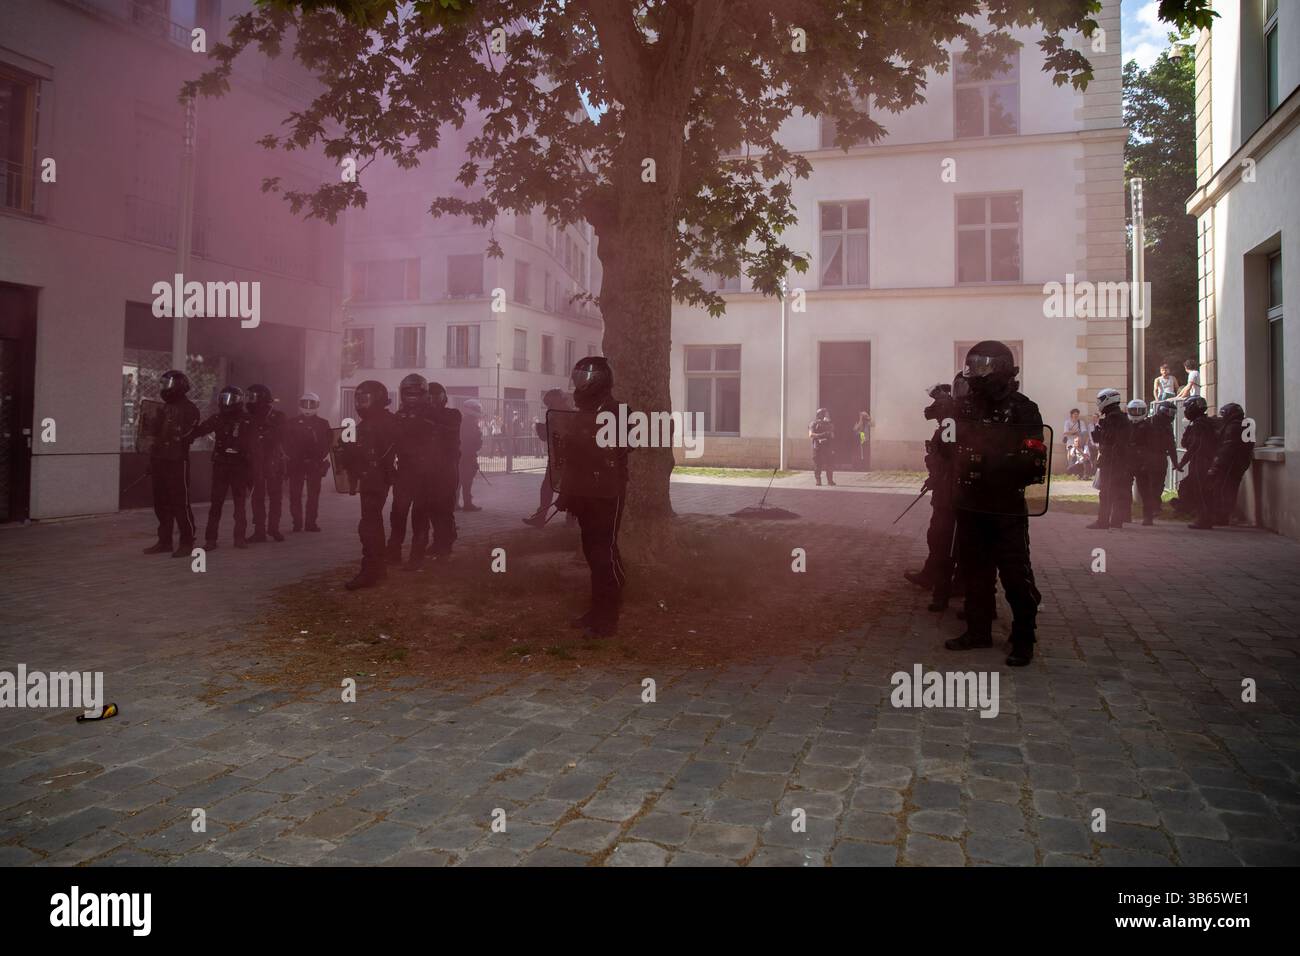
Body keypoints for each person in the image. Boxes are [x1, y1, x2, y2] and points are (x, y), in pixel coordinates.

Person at [946, 340, 1044, 667]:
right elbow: (950, 447)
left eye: (984, 366)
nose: (977, 373)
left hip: (1005, 505)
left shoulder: (1023, 409)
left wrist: (998, 464)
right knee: (975, 570)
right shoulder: (968, 408)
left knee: (1016, 572)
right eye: (973, 366)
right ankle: (977, 631)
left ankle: (1024, 636)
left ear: (1001, 369)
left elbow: (1035, 462)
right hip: (972, 502)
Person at [554, 356, 628, 638]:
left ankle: (608, 616)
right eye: (579, 377)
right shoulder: (580, 412)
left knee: (604, 554)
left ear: (600, 380)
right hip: (584, 491)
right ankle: (597, 610)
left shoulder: (618, 411)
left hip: (608, 491)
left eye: (586, 378)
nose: (580, 383)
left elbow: (617, 449)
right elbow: (572, 456)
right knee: (591, 552)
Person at [340, 380, 399, 589]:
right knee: (371, 524)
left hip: (377, 478)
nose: (360, 403)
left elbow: (382, 452)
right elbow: (352, 451)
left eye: (364, 399)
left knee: (369, 526)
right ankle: (378, 569)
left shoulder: (386, 422)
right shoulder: (367, 424)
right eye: (358, 399)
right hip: (369, 478)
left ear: (377, 399)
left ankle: (371, 571)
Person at [904, 385, 955, 596]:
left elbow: (950, 459)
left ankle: (934, 579)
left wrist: (936, 478)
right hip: (949, 489)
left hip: (949, 492)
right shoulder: (949, 423)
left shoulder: (950, 426)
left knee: (940, 536)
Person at [142, 369, 200, 557]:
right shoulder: (163, 408)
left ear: (179, 386)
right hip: (160, 459)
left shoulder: (190, 409)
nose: (164, 388)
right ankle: (164, 541)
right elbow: (154, 435)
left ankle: (187, 541)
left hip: (177, 461)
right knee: (161, 503)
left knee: (179, 503)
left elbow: (183, 434)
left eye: (167, 384)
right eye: (163, 384)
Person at [387, 374, 437, 569]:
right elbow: (391, 444)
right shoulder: (399, 416)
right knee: (398, 513)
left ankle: (416, 557)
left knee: (420, 515)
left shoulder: (433, 414)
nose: (412, 396)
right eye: (409, 392)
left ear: (424, 394)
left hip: (426, 472)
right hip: (405, 470)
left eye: (417, 392)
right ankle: (393, 552)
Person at [195, 386, 254, 550]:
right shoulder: (217, 418)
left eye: (230, 399)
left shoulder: (247, 419)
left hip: (239, 466)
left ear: (238, 401)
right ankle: (211, 540)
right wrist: (190, 427)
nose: (226, 403)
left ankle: (239, 538)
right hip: (221, 465)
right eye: (223, 399)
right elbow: (200, 430)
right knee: (216, 504)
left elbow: (255, 443)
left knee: (239, 504)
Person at [424, 381, 462, 562]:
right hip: (429, 467)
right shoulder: (423, 415)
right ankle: (439, 540)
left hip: (447, 467)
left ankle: (445, 543)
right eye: (429, 395)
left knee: (444, 508)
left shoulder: (453, 414)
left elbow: (449, 427)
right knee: (431, 507)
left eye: (436, 395)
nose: (433, 399)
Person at [524, 388, 574, 527]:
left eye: (549, 403)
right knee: (565, 487)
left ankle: (543, 518)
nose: (548, 406)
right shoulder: (568, 412)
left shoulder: (558, 414)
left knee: (550, 487)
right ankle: (570, 519)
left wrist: (540, 428)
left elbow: (549, 435)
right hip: (562, 456)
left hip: (561, 457)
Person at [284, 391, 332, 533]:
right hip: (296, 463)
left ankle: (310, 523)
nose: (308, 407)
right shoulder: (291, 423)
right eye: (305, 404)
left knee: (313, 496)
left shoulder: (323, 424)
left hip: (314, 464)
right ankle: (297, 523)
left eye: (312, 404)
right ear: (300, 405)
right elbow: (286, 443)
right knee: (295, 494)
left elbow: (327, 443)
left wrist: (319, 458)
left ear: (317, 405)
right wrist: (292, 456)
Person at [246, 384, 286, 543]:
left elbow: (280, 435)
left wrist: (264, 434)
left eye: (252, 397)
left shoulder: (277, 416)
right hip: (256, 462)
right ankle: (259, 531)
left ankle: (274, 528)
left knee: (276, 497)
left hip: (273, 462)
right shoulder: (248, 417)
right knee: (257, 497)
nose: (249, 401)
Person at [1087, 387, 1131, 530]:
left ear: (1107, 400)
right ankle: (1116, 521)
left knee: (1106, 491)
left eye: (1100, 400)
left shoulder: (1113, 418)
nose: (1099, 403)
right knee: (1117, 490)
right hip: (1119, 460)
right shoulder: (1120, 417)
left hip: (1112, 461)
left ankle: (1103, 521)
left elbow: (1109, 440)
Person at [1208, 402, 1254, 527]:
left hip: (1230, 463)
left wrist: (1216, 464)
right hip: (1241, 463)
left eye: (1224, 415)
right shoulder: (1247, 425)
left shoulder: (1233, 427)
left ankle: (1220, 517)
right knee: (1231, 489)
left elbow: (1228, 447)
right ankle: (1224, 515)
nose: (1222, 418)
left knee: (1221, 489)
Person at [1177, 395, 1219, 530]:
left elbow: (1194, 445)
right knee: (1201, 489)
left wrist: (1182, 462)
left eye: (1188, 408)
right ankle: (1206, 517)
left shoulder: (1199, 424)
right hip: (1207, 459)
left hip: (1201, 460)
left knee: (1200, 490)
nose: (1186, 411)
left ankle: (1203, 519)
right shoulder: (1205, 422)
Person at [458, 399, 484, 512]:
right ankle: (467, 504)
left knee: (459, 481)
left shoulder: (463, 421)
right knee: (467, 481)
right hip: (467, 456)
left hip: (461, 455)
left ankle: (455, 503)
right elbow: (473, 441)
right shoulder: (470, 423)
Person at [809, 408, 835, 486]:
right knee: (818, 464)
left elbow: (833, 435)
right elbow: (811, 434)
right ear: (821, 415)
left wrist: (829, 434)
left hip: (827, 446)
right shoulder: (813, 424)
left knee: (829, 464)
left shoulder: (829, 424)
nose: (828, 415)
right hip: (817, 446)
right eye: (826, 414)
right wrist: (822, 435)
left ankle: (830, 481)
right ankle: (818, 480)